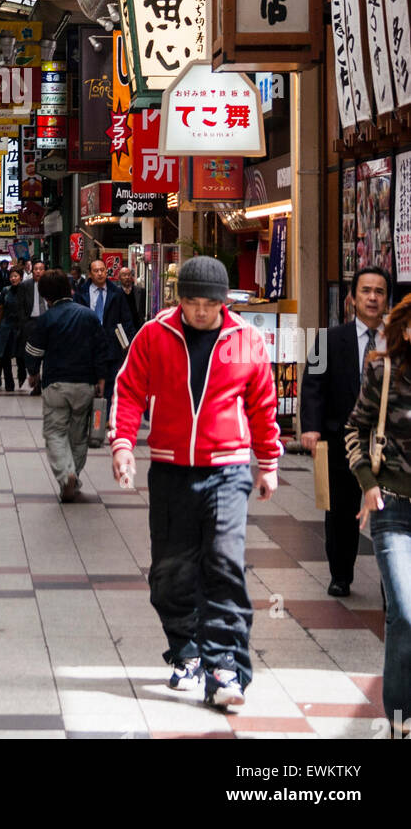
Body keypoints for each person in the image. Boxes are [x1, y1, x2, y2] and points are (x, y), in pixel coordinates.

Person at [110, 255, 282, 711]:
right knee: (170, 573)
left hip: (227, 470)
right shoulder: (155, 334)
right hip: (169, 470)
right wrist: (123, 444)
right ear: (178, 300)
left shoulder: (245, 340)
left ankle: (225, 665)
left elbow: (263, 405)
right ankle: (185, 649)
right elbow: (128, 390)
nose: (201, 311)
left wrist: (268, 463)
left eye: (209, 303)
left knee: (224, 564)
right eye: (192, 302)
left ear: (223, 302)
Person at [300, 266, 389, 596]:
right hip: (341, 442)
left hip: (387, 447)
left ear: (386, 299)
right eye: (366, 290)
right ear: (352, 298)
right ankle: (340, 575)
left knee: (388, 516)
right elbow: (312, 387)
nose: (372, 297)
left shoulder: (398, 342)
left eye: (379, 292)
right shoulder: (328, 340)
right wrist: (310, 427)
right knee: (341, 514)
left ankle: (390, 584)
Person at [345, 292, 411, 735]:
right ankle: (400, 715)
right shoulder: (382, 371)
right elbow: (354, 429)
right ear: (406, 329)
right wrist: (368, 485)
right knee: (404, 612)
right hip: (392, 507)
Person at [24, 269, 113, 501]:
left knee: (54, 431)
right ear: (70, 289)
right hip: (85, 384)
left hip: (56, 384)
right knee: (78, 435)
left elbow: (33, 351)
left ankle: (66, 475)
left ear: (45, 296)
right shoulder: (89, 316)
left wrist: (33, 373)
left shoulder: (46, 319)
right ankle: (73, 474)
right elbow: (101, 351)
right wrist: (101, 379)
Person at [74, 258, 137, 414]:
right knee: (88, 381)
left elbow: (126, 319)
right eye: (96, 270)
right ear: (90, 274)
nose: (100, 273)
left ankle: (107, 416)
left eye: (102, 270)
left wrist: (129, 344)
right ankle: (89, 415)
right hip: (88, 345)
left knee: (110, 382)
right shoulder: (81, 293)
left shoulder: (117, 293)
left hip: (111, 345)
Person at [16, 260, 47, 395]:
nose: (38, 271)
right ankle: (35, 380)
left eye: (41, 269)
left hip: (47, 322)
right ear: (32, 270)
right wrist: (24, 323)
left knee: (48, 353)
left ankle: (45, 382)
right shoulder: (25, 286)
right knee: (30, 354)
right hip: (31, 323)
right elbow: (20, 306)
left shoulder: (50, 285)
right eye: (36, 269)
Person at [0, 265, 24, 390]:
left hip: (20, 327)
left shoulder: (26, 290)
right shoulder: (6, 290)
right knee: (5, 356)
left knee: (20, 356)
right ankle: (9, 383)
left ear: (20, 278)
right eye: (11, 276)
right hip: (7, 326)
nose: (13, 279)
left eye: (15, 276)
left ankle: (22, 375)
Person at [119, 265, 146, 329]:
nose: (127, 277)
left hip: (138, 328)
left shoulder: (141, 291)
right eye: (124, 275)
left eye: (129, 275)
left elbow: (143, 310)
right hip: (122, 329)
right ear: (119, 278)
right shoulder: (116, 293)